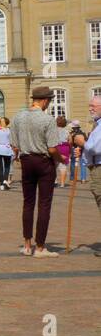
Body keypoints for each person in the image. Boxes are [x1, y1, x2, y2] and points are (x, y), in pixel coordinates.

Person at [9, 86, 61, 257]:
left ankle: (27, 244)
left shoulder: (18, 117)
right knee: (44, 204)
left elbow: (14, 145)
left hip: (26, 161)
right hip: (43, 161)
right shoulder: (47, 120)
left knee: (28, 203)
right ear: (45, 100)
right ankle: (40, 247)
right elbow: (52, 149)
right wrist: (62, 160)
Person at [73, 94, 101, 255]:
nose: (90, 108)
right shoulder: (97, 124)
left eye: (94, 106)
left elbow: (97, 148)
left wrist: (83, 143)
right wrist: (83, 149)